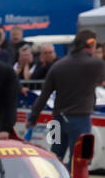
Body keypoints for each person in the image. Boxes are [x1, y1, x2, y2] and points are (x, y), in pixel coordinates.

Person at [25, 30, 105, 163]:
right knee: (80, 161)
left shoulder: (57, 66)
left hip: (56, 120)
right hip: (80, 119)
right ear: (91, 44)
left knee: (55, 158)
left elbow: (44, 96)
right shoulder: (96, 65)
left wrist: (33, 118)